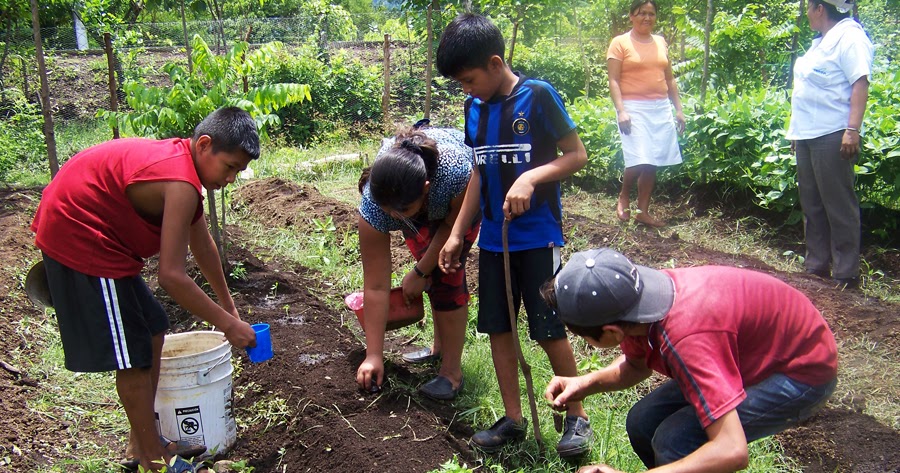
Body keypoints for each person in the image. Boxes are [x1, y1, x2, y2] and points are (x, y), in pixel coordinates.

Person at [31, 107, 260, 473]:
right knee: (134, 355)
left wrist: (230, 310)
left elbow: (203, 248)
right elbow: (171, 276)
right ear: (204, 145)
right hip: (81, 236)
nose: (231, 179)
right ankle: (153, 461)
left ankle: (143, 441)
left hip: (106, 242)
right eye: (230, 167)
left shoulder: (184, 171)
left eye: (239, 172)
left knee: (153, 326)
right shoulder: (181, 182)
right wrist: (228, 326)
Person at [435, 13, 593, 458]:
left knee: (548, 329)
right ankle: (513, 419)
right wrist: (457, 233)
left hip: (538, 238)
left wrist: (532, 178)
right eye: (460, 84)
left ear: (495, 62)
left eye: (469, 79)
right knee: (499, 329)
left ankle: (576, 415)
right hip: (492, 243)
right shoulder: (475, 109)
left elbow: (576, 155)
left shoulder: (537, 96)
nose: (467, 90)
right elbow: (479, 176)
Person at [542, 248, 838, 472]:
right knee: (642, 421)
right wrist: (583, 384)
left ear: (611, 332)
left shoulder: (686, 338)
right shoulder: (637, 303)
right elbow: (636, 365)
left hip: (800, 371)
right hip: (751, 353)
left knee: (674, 440)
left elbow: (731, 449)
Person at [354, 121, 480, 401]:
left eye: (403, 210)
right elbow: (375, 286)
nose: (396, 217)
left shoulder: (455, 172)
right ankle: (437, 349)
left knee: (446, 276)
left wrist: (421, 271)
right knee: (431, 272)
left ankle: (451, 373)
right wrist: (373, 355)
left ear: (425, 189)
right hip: (422, 202)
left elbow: (451, 225)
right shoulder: (375, 203)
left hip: (460, 206)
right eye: (390, 212)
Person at [786, 0, 874, 290]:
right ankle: (816, 265)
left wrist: (853, 129)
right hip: (809, 134)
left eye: (809, 7)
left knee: (837, 202)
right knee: (811, 202)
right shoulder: (820, 42)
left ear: (819, 8)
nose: (807, 14)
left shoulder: (850, 37)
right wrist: (796, 133)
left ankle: (846, 273)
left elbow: (859, 83)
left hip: (833, 132)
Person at [607, 0, 685, 227]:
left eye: (651, 14)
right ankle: (624, 196)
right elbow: (613, 79)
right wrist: (621, 110)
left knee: (653, 160)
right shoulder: (620, 43)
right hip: (632, 107)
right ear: (631, 16)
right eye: (642, 13)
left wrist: (678, 109)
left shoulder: (660, 42)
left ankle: (643, 211)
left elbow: (669, 78)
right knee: (639, 157)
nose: (647, 18)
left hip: (659, 107)